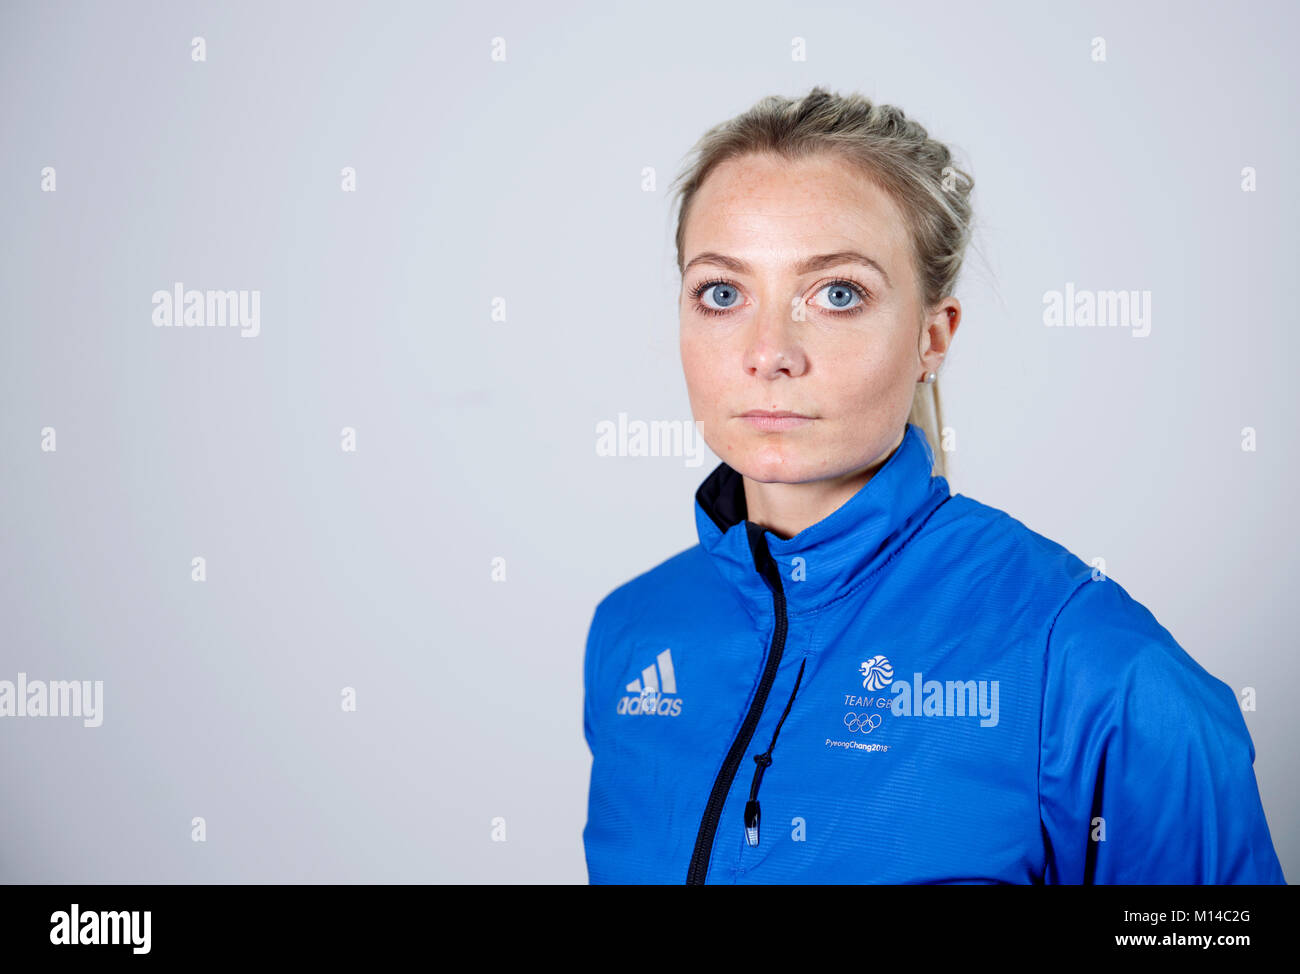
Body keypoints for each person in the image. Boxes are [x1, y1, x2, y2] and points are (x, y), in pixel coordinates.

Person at [581, 86, 1286, 884]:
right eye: (722, 294)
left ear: (932, 335)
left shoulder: (1092, 666)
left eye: (837, 294)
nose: (769, 351)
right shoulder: (634, 633)